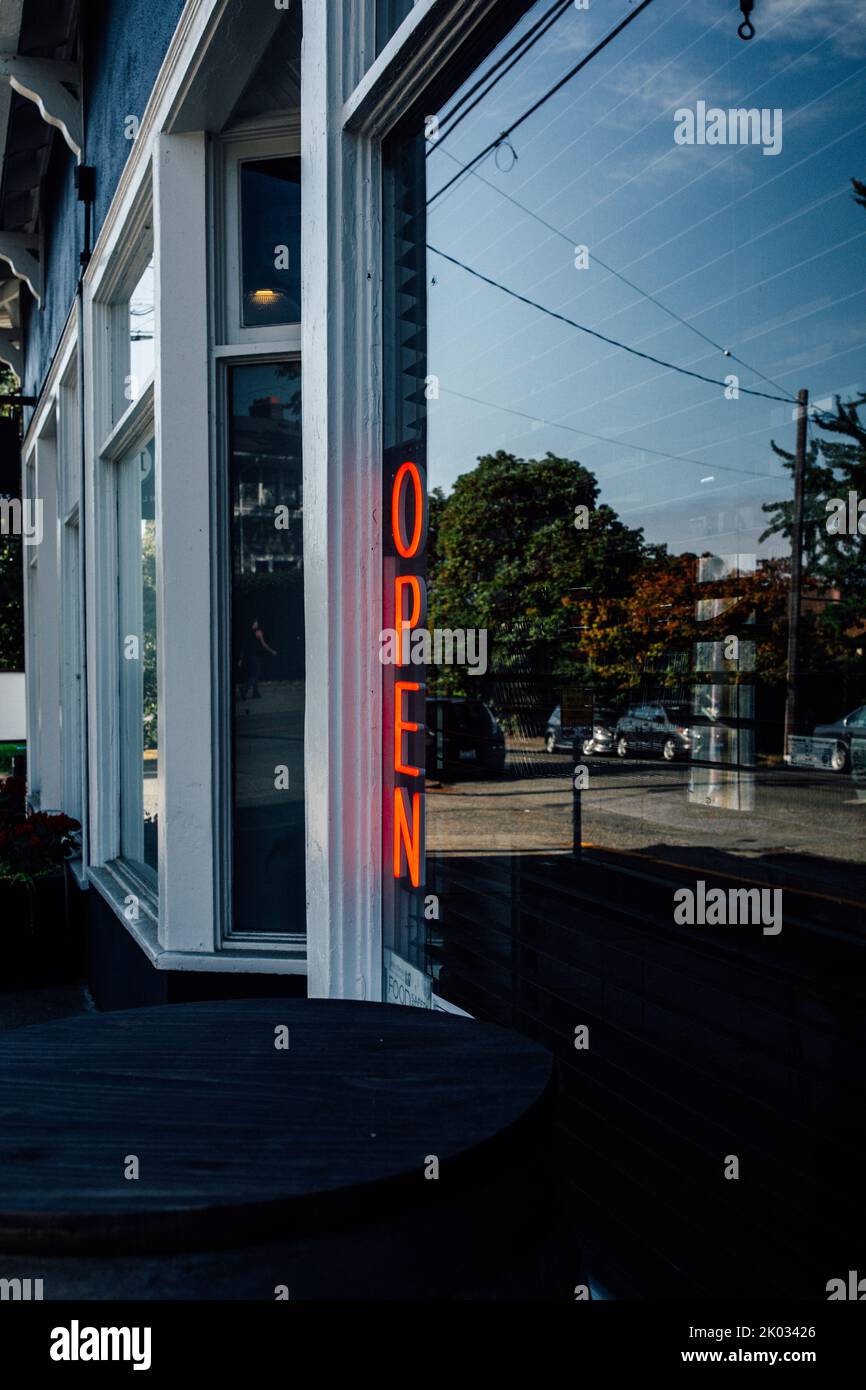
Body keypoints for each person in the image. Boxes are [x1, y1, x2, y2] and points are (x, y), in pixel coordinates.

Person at [237, 617, 277, 700]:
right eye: (256, 622)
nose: (257, 623)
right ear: (254, 623)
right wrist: (272, 651)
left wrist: (240, 659)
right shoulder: (258, 632)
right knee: (256, 674)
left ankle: (255, 693)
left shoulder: (247, 632)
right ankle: (244, 688)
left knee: (255, 674)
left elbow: (243, 647)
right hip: (256, 656)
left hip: (249, 657)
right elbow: (264, 644)